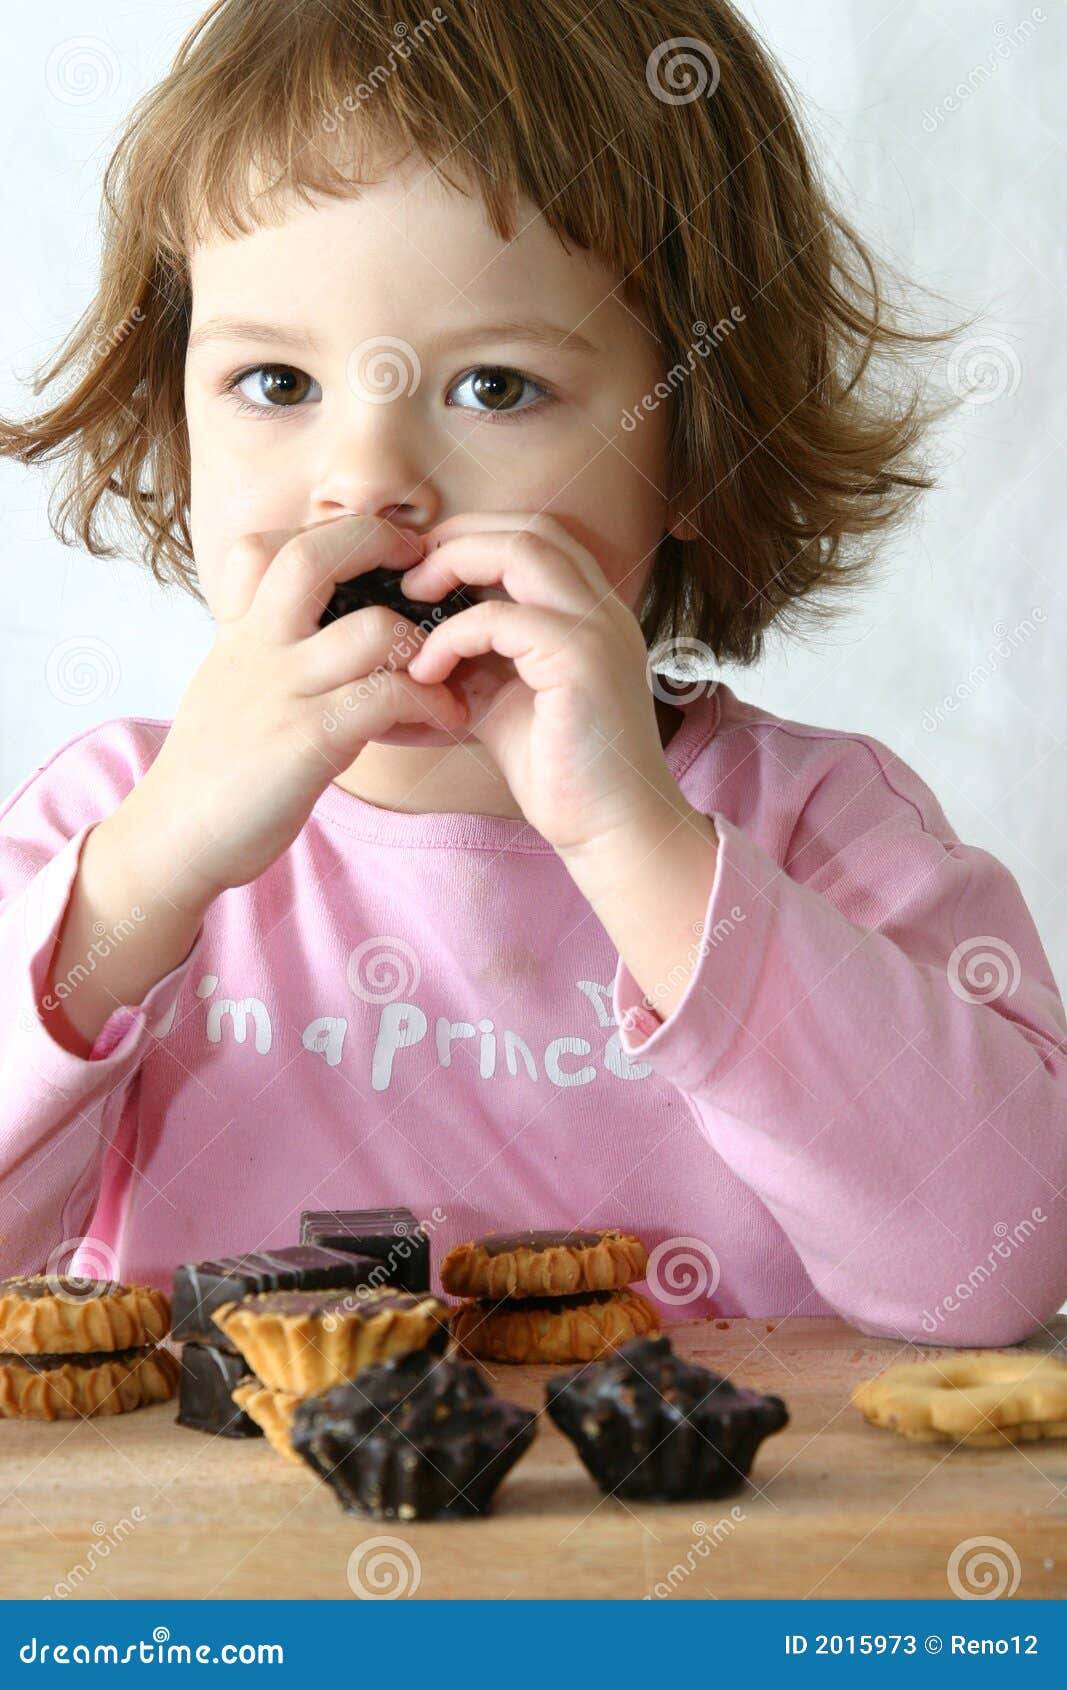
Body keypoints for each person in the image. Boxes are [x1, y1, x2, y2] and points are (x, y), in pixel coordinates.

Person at [1, 0, 1063, 1344]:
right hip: (229, 1556)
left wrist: (640, 841)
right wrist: (144, 880)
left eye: (495, 388)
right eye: (275, 382)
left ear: (689, 438)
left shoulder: (816, 832)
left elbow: (996, 1264)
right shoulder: (103, 829)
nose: (369, 475)